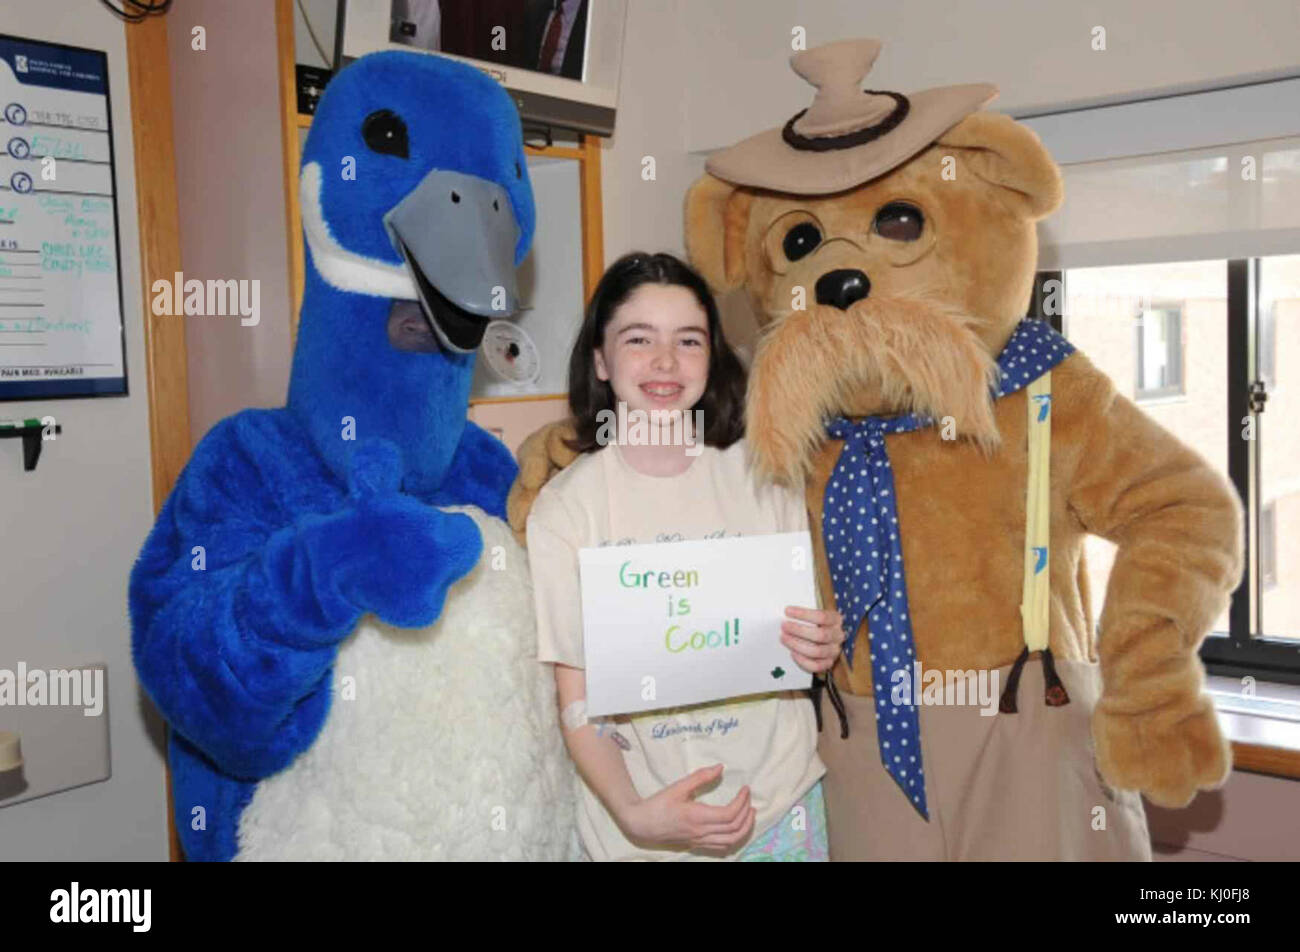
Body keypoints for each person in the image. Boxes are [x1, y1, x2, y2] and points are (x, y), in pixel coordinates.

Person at [526, 251, 844, 861]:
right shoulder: (568, 510)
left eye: (689, 340)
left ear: (712, 355)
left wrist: (820, 644)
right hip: (642, 833)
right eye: (639, 338)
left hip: (778, 810)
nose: (666, 362)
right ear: (600, 358)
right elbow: (577, 700)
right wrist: (635, 814)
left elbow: (801, 637)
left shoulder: (765, 478)